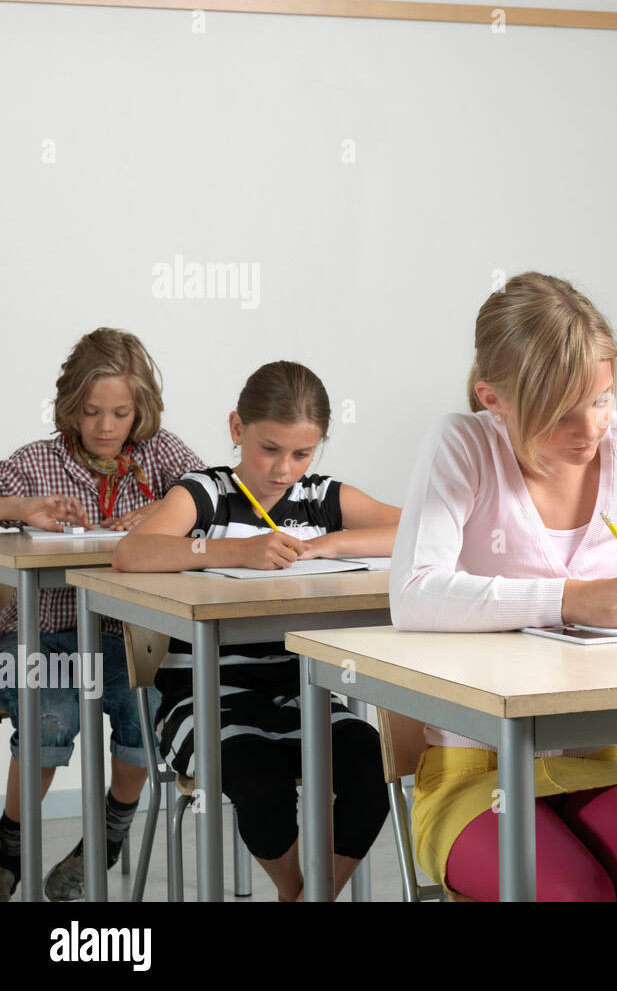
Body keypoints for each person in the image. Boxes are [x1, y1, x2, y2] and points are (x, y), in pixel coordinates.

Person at [390, 271, 617, 901]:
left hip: (592, 756)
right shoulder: (463, 443)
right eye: (559, 412)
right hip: (473, 772)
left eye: (602, 399)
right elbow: (413, 593)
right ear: (493, 398)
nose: (589, 428)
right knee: (573, 893)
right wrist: (573, 598)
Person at [114, 360, 396, 900]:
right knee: (260, 784)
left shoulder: (321, 500)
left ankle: (315, 896)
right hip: (203, 698)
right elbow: (133, 551)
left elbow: (415, 528)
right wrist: (236, 550)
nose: (283, 469)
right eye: (269, 448)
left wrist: (331, 542)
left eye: (301, 453)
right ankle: (297, 893)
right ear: (237, 429)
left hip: (300, 694)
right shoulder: (206, 493)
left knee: (370, 768)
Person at [0, 327, 204, 901]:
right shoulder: (34, 463)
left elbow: (217, 493)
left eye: (120, 412)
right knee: (52, 717)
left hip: (126, 635)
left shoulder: (161, 454)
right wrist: (19, 507)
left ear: (141, 409)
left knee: (148, 715)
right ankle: (11, 843)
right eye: (91, 412)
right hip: (43, 634)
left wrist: (164, 510)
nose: (106, 427)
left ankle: (107, 839)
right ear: (70, 406)